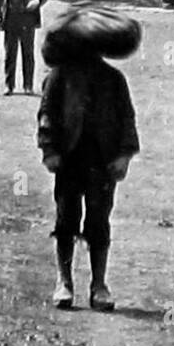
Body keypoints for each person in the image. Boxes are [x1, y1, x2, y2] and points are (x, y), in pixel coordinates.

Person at [37, 15, 139, 311]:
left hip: (102, 160)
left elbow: (127, 119)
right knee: (66, 219)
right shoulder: (59, 77)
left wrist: (124, 156)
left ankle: (99, 285)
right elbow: (46, 116)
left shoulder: (114, 79)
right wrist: (49, 150)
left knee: (98, 221)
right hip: (69, 158)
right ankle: (64, 282)